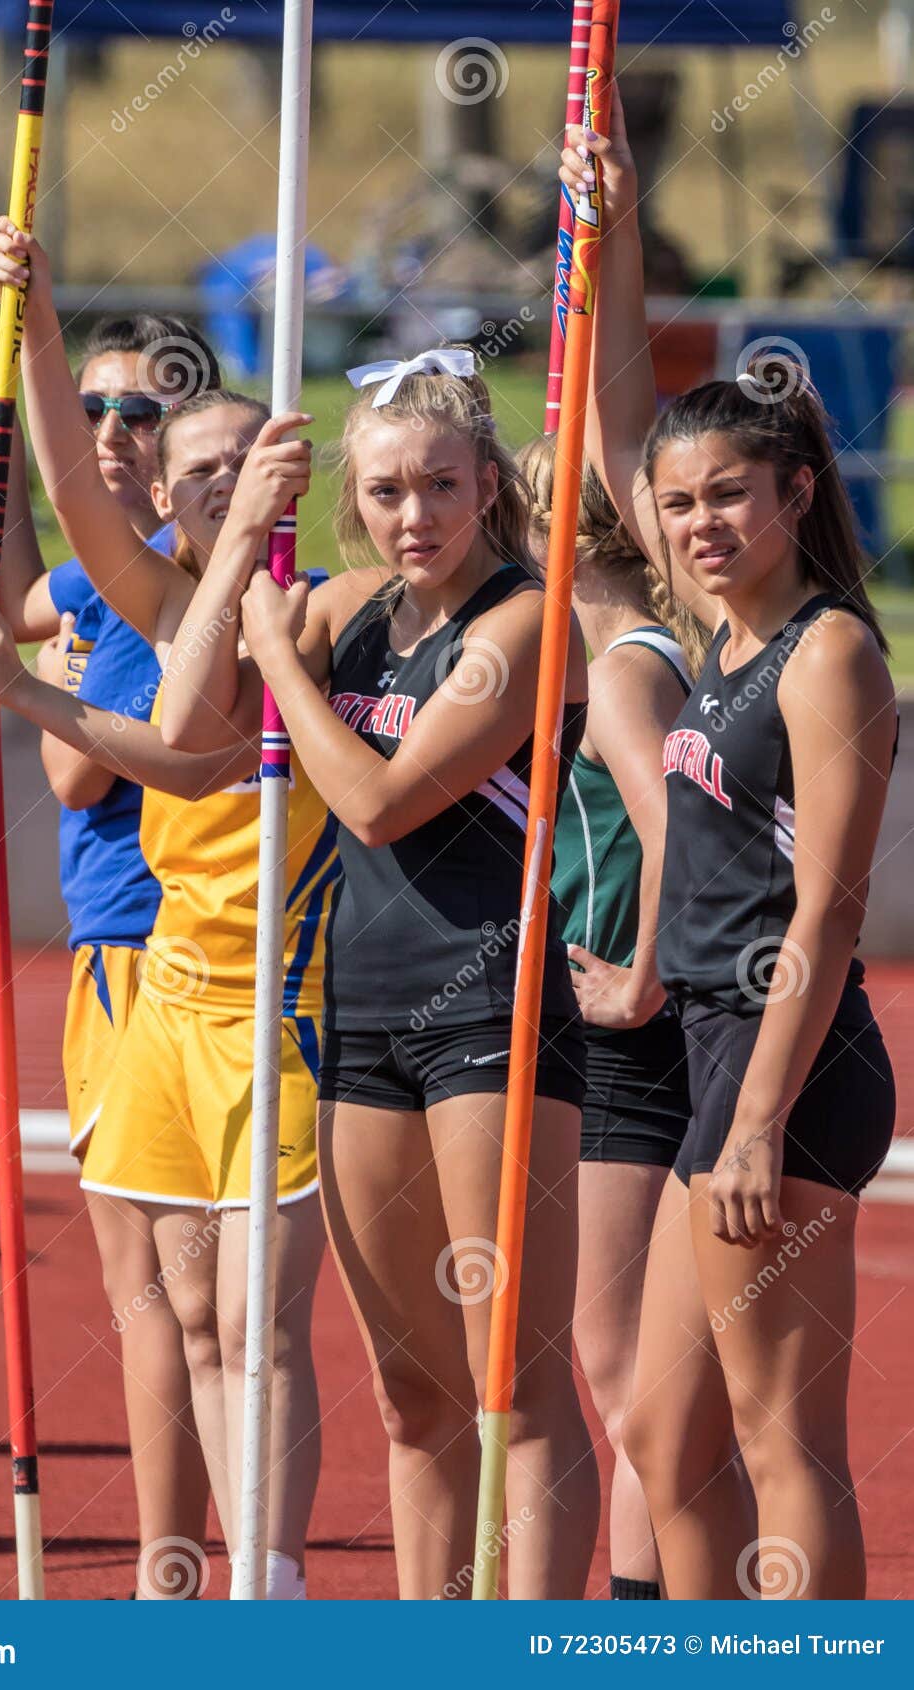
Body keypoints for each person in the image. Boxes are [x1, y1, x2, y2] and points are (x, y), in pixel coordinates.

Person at [160, 349, 600, 1599]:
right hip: (357, 1017)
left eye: (442, 487)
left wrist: (282, 666)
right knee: (412, 1393)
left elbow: (378, 803)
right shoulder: (344, 603)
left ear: (486, 489)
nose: (417, 516)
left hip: (489, 1013)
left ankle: (526, 1646)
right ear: (354, 497)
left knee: (507, 1374)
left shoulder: (523, 614)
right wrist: (243, 540)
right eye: (390, 491)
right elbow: (191, 726)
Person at [0, 216, 339, 1600]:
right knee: (186, 1309)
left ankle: (268, 1586)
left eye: (240, 466)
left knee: (256, 1321)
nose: (214, 488)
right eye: (194, 474)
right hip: (168, 1004)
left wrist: (41, 694)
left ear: (284, 479)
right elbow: (68, 496)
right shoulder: (163, 595)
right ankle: (181, 1583)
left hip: (288, 1009)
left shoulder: (317, 612)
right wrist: (33, 331)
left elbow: (179, 743)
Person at [565, 111, 898, 1599]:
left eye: (725, 500)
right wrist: (612, 231)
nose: (694, 522)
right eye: (680, 505)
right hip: (713, 1043)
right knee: (659, 1425)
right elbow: (616, 422)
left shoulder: (826, 657)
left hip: (790, 1060)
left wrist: (756, 1116)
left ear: (795, 499)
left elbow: (826, 914)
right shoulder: (723, 633)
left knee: (776, 1435)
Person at [0, 309, 227, 1598]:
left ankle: (181, 1577)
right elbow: (4, 603)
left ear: (183, 446)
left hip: (155, 956)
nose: (113, 431)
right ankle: (197, 1568)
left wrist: (53, 662)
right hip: (124, 957)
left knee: (171, 1296)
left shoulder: (157, 579)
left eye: (141, 413)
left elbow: (65, 768)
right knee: (180, 1300)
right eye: (95, 407)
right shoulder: (121, 581)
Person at [520, 438, 706, 1601]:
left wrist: (640, 979)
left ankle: (647, 1618)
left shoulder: (629, 669)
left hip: (626, 1044)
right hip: (619, 1035)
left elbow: (678, 825)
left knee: (623, 1363)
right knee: (634, 1364)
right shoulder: (614, 657)